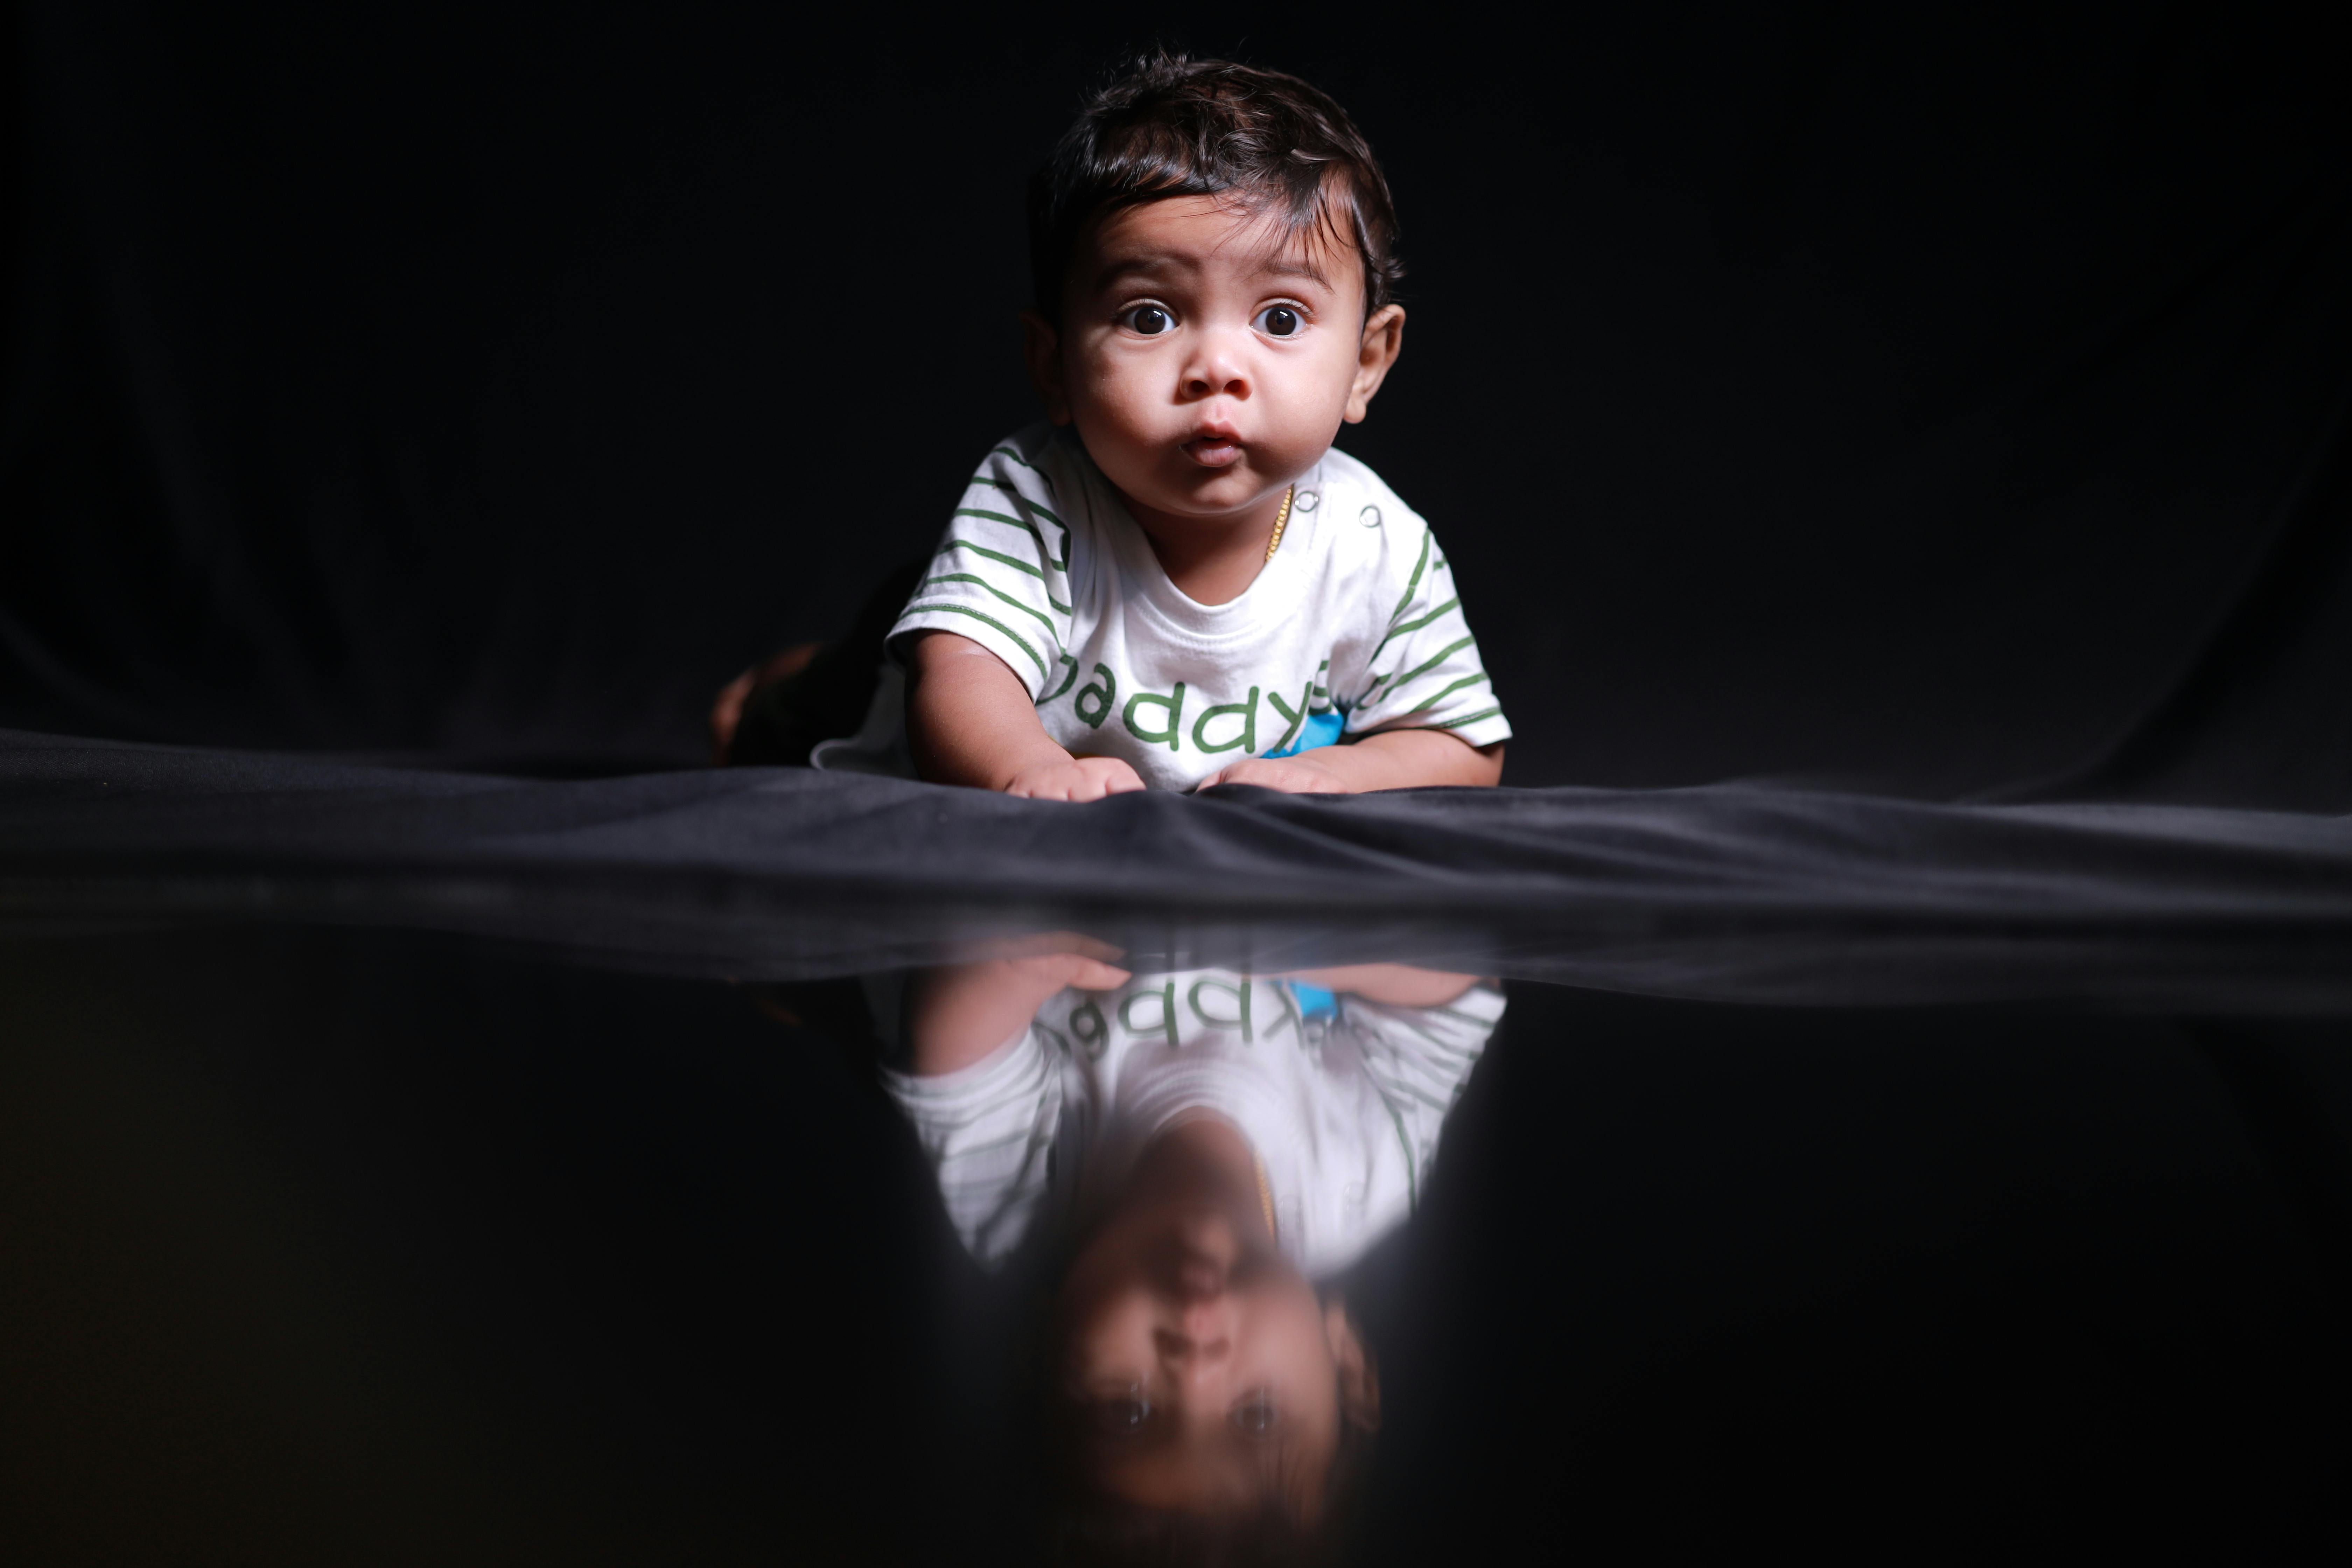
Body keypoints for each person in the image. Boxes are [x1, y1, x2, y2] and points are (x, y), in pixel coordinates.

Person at [716, 53, 1511, 799]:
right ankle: (777, 684)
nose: (1217, 368)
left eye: (1279, 316)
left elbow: (1464, 742)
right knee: (826, 696)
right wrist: (1028, 767)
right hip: (895, 689)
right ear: (1054, 365)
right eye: (1151, 314)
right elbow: (963, 673)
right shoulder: (1036, 495)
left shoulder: (1377, 542)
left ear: (1366, 362)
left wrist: (1335, 775)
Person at [884, 940, 1505, 1549]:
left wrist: (1023, 961)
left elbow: (952, 1048)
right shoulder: (1367, 1178)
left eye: (1129, 1411)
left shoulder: (1020, 1206)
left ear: (1039, 1352)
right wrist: (1288, 941)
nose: (1195, 1363)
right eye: (1258, 1414)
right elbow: (1454, 986)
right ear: (1345, 1362)